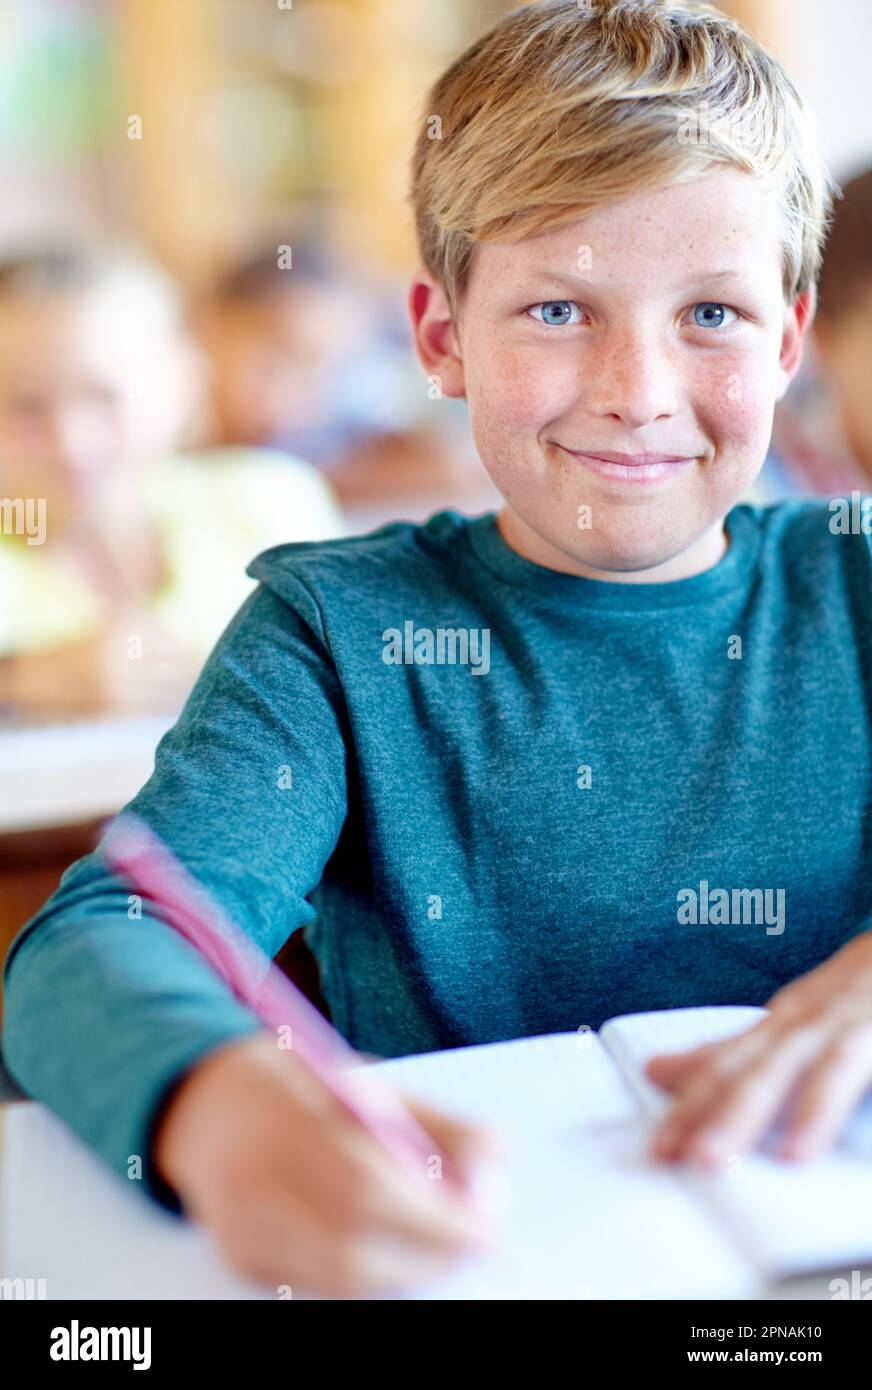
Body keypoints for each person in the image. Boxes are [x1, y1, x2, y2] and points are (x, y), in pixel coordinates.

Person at [5, 0, 872, 1300]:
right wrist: (216, 1096)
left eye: (711, 314)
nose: (638, 387)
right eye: (559, 311)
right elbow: (102, 938)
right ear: (440, 336)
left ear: (788, 337)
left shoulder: (854, 584)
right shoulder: (333, 636)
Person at [0, 247, 342, 716]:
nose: (72, 440)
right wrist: (18, 679)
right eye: (25, 404)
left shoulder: (271, 500)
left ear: (180, 379)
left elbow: (365, 662)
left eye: (103, 395)